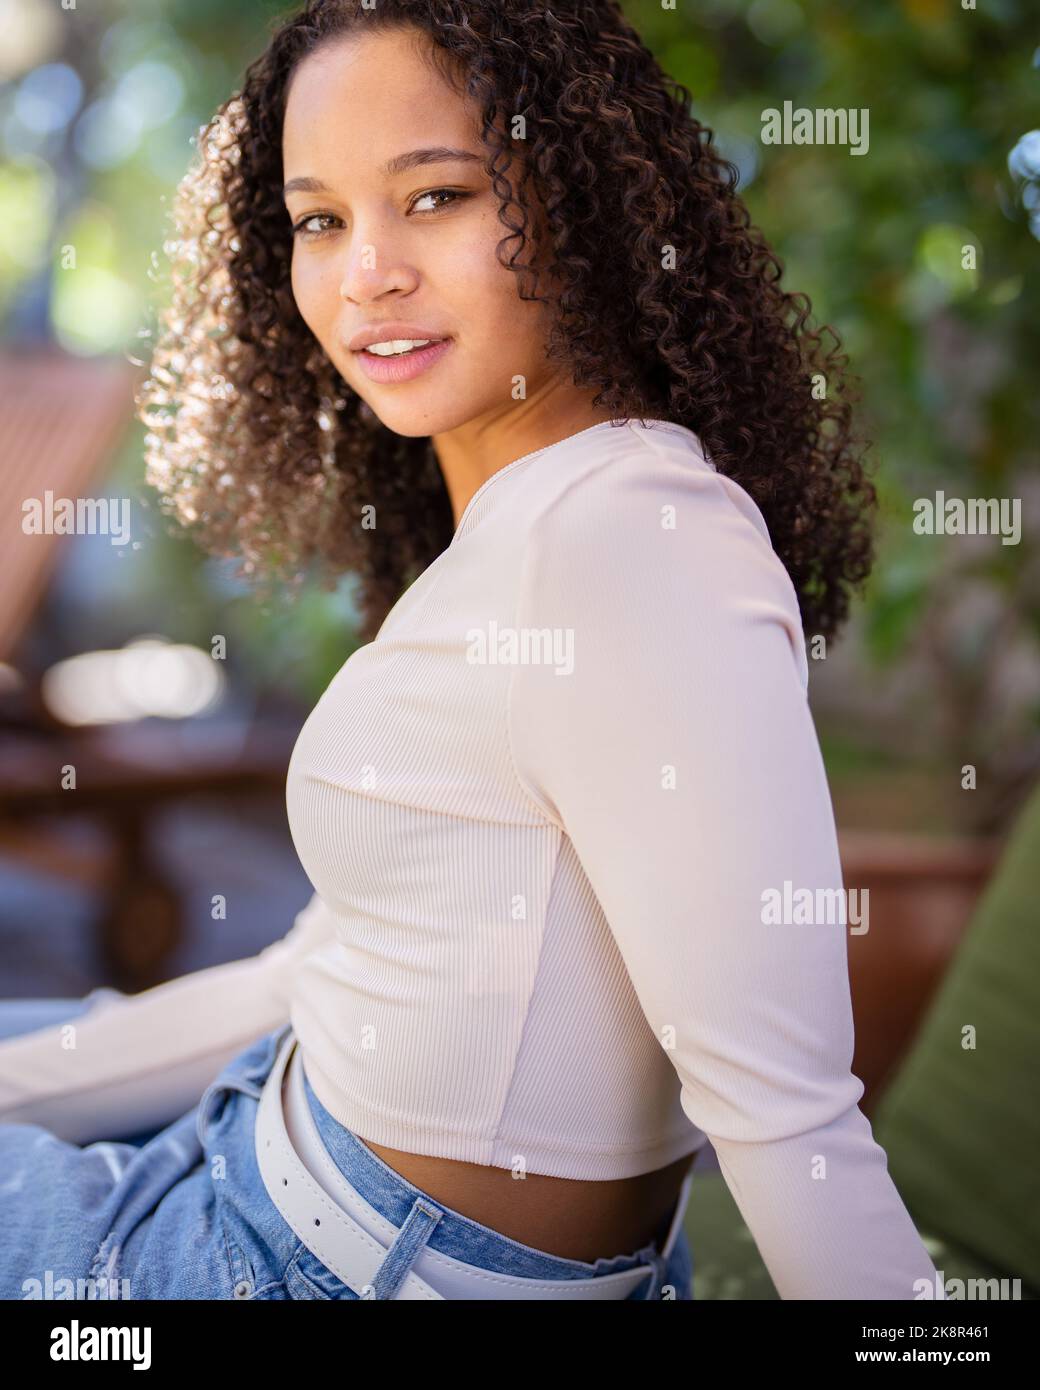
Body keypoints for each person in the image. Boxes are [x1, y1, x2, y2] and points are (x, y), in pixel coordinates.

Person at [0, 0, 944, 1300]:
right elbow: (317, 973)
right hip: (242, 1161)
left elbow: (790, 1117)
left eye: (435, 197)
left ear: (582, 207)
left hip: (266, 1260)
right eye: (319, 218)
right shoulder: (527, 524)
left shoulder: (626, 539)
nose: (364, 271)